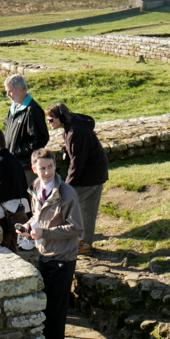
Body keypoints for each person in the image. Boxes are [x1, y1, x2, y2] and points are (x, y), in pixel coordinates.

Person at [18, 149, 83, 339]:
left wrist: (44, 232)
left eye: (50, 167)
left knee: (55, 318)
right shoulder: (36, 187)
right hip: (44, 256)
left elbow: (77, 228)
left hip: (62, 260)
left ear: (56, 167)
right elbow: (39, 215)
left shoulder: (67, 193)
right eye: (42, 168)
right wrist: (30, 226)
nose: (46, 172)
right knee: (45, 313)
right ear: (34, 168)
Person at [45, 102, 108, 256]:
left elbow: (77, 162)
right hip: (94, 173)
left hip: (91, 176)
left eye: (51, 120)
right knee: (85, 210)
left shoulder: (75, 132)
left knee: (72, 206)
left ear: (61, 118)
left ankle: (79, 243)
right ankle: (83, 243)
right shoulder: (72, 127)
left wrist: (67, 186)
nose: (49, 123)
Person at [3, 74, 49, 185]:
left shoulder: (32, 110)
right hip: (14, 164)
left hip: (26, 167)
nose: (7, 95)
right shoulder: (13, 108)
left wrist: (18, 151)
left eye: (10, 91)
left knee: (28, 199)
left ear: (19, 90)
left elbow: (40, 138)